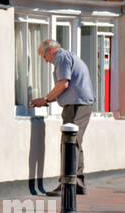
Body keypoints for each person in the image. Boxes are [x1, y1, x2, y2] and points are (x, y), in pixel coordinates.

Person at [29, 38, 95, 195]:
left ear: (50, 50)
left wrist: (45, 99)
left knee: (69, 143)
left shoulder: (61, 58)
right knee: (75, 142)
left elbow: (63, 84)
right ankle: (77, 183)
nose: (45, 61)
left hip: (77, 105)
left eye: (44, 56)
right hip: (81, 104)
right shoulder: (68, 56)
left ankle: (66, 186)